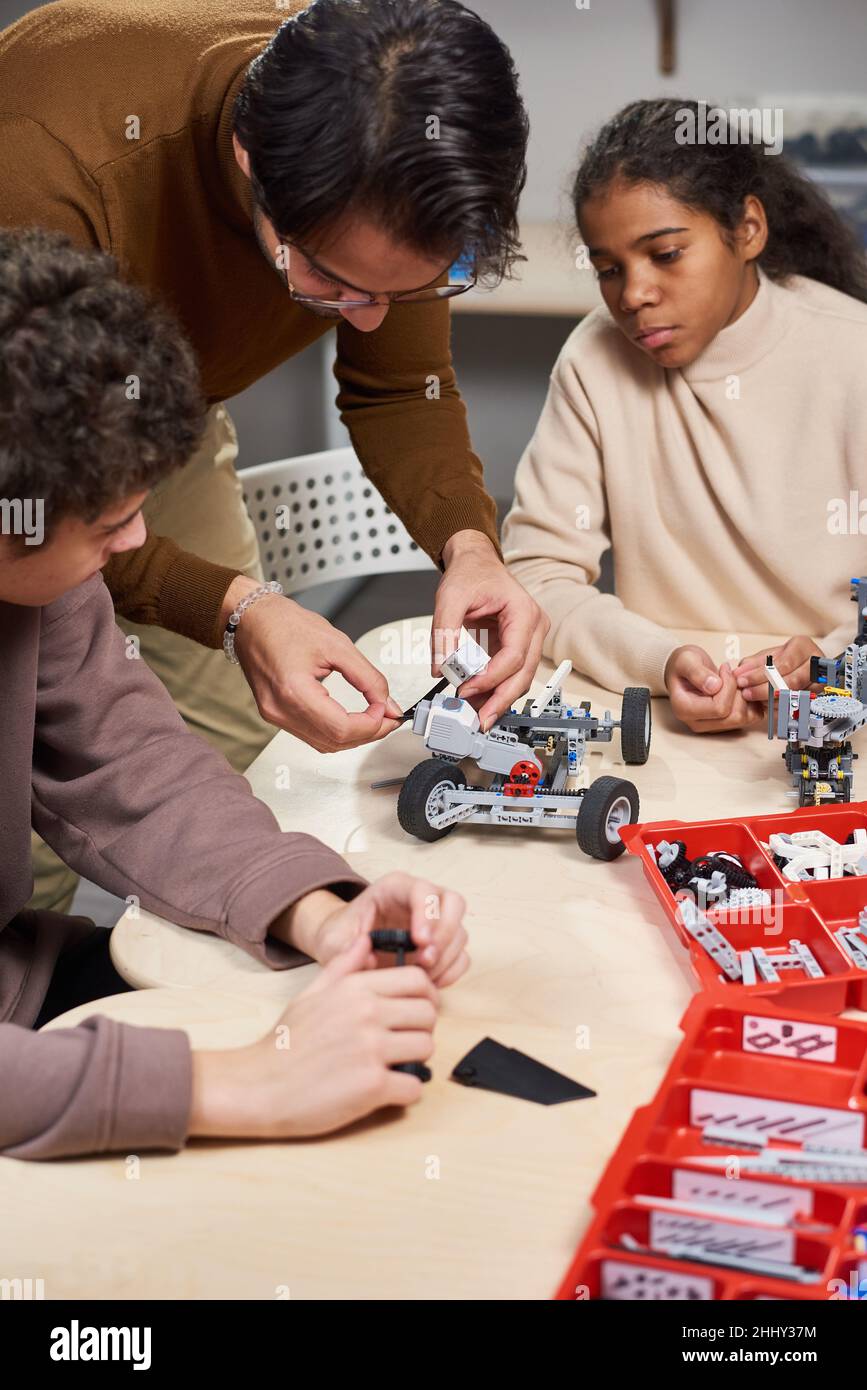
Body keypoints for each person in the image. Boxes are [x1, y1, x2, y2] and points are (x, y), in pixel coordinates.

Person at [0, 0, 548, 914]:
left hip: (154, 415)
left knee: (223, 749)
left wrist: (470, 546)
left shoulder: (395, 153)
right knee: (37, 770)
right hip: (27, 440)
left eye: (409, 289)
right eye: (328, 282)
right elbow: (42, 495)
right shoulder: (46, 166)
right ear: (252, 160)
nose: (369, 315)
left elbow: (395, 385)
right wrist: (228, 604)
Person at [0, 226, 469, 1161]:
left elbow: (130, 762)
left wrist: (317, 911)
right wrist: (248, 1082)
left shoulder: (41, 574)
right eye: (111, 522)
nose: (136, 546)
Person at [502, 97, 867, 733]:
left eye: (665, 254)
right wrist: (660, 661)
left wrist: (836, 662)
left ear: (748, 229)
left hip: (839, 728)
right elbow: (537, 577)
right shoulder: (594, 359)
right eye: (608, 268)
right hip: (665, 733)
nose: (634, 294)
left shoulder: (852, 352)